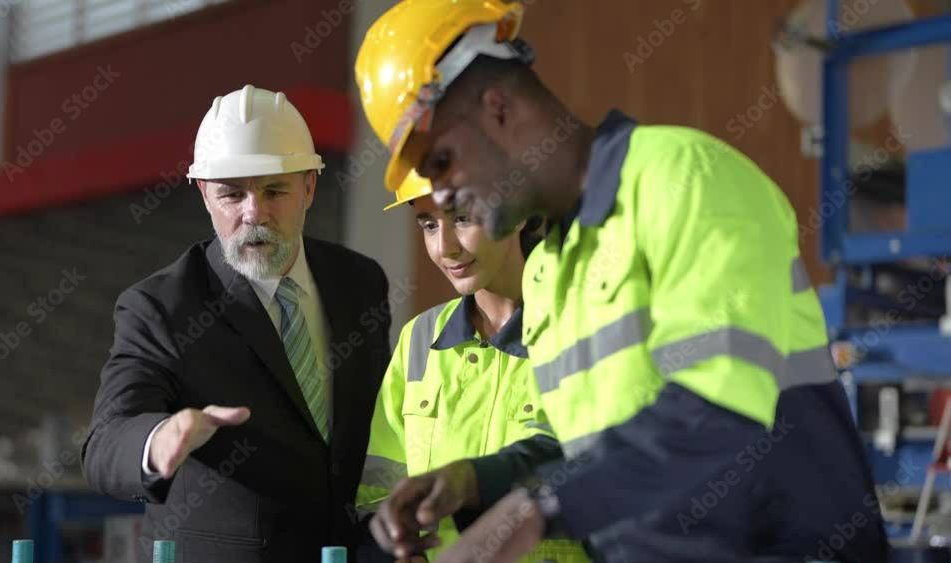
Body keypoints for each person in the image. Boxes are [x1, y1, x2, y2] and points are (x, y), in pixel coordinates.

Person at [353, 2, 889, 562]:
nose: (438, 196)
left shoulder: (683, 180)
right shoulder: (552, 270)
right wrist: (473, 482)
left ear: (499, 110)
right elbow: (601, 458)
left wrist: (533, 509)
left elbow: (715, 415)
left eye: (441, 160)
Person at [81, 85, 392, 563]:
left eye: (274, 191)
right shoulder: (162, 307)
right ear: (205, 194)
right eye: (232, 194)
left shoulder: (361, 284)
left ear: (309, 186)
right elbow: (105, 443)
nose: (254, 214)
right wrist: (158, 439)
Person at [355, 171, 589, 563]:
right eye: (429, 225)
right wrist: (394, 541)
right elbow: (379, 487)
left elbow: (602, 475)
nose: (444, 247)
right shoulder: (419, 338)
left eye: (462, 218)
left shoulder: (582, 328)